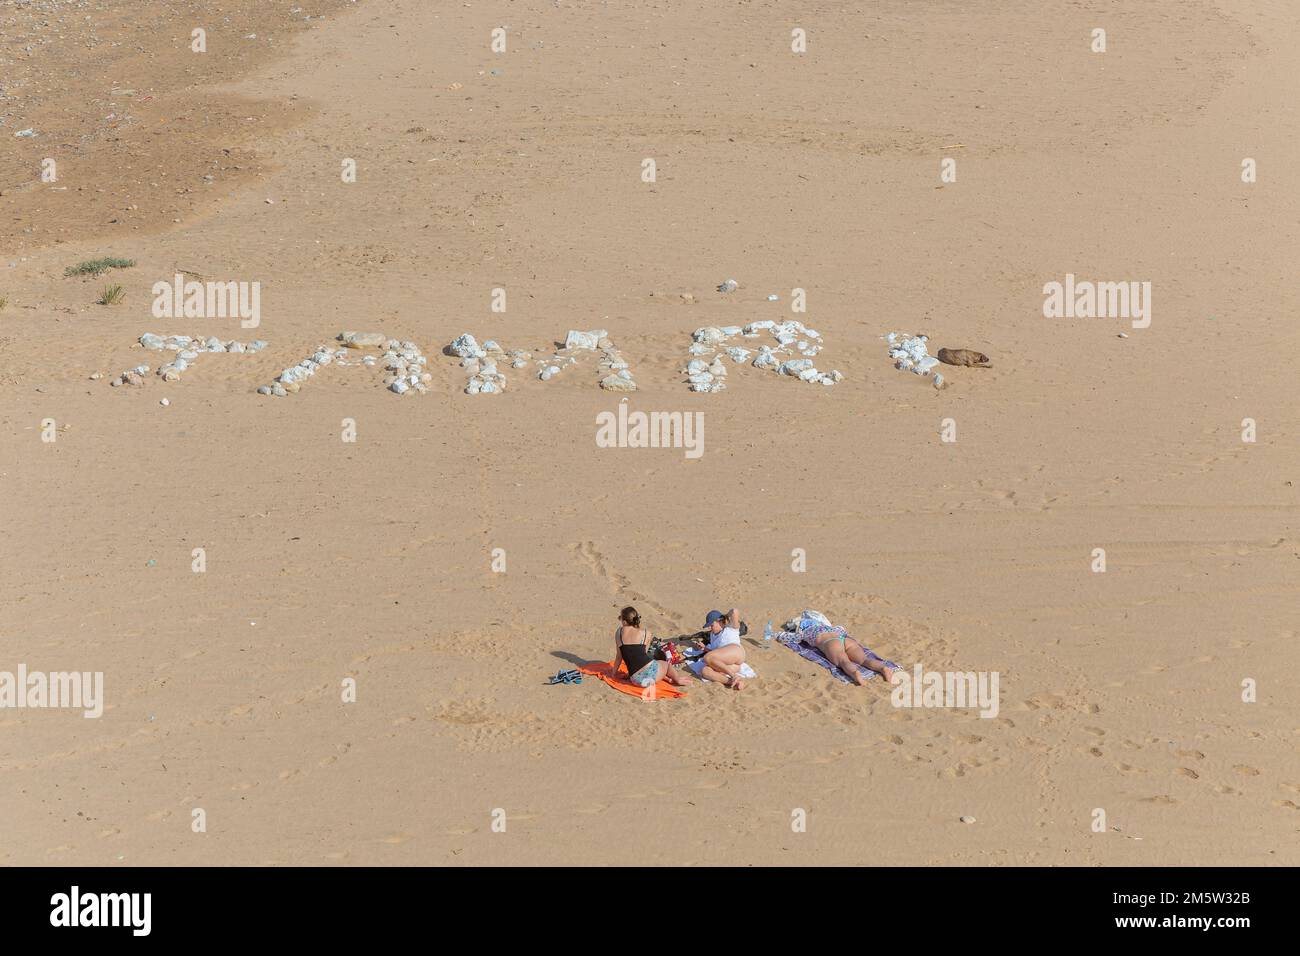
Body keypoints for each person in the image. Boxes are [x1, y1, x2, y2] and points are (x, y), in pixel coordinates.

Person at [799, 615, 897, 687]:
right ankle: (883, 668)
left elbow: (789, 638)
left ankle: (855, 673)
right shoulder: (833, 628)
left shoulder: (806, 632)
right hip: (845, 640)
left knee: (844, 662)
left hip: (831, 643)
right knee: (863, 659)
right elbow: (843, 630)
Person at [614, 606, 690, 689]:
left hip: (636, 680)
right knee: (666, 665)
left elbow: (619, 657)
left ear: (624, 622)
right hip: (651, 677)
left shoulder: (619, 632)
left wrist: (613, 674)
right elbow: (643, 655)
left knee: (652, 665)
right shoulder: (646, 633)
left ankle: (666, 678)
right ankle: (677, 679)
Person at [698, 608, 746, 691]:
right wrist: (705, 648)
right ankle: (733, 682)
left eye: (712, 625)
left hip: (736, 651)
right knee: (704, 671)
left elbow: (734, 611)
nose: (710, 628)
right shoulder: (712, 636)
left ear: (719, 621)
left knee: (707, 657)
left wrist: (724, 616)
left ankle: (734, 676)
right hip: (731, 664)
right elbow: (715, 656)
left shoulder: (730, 628)